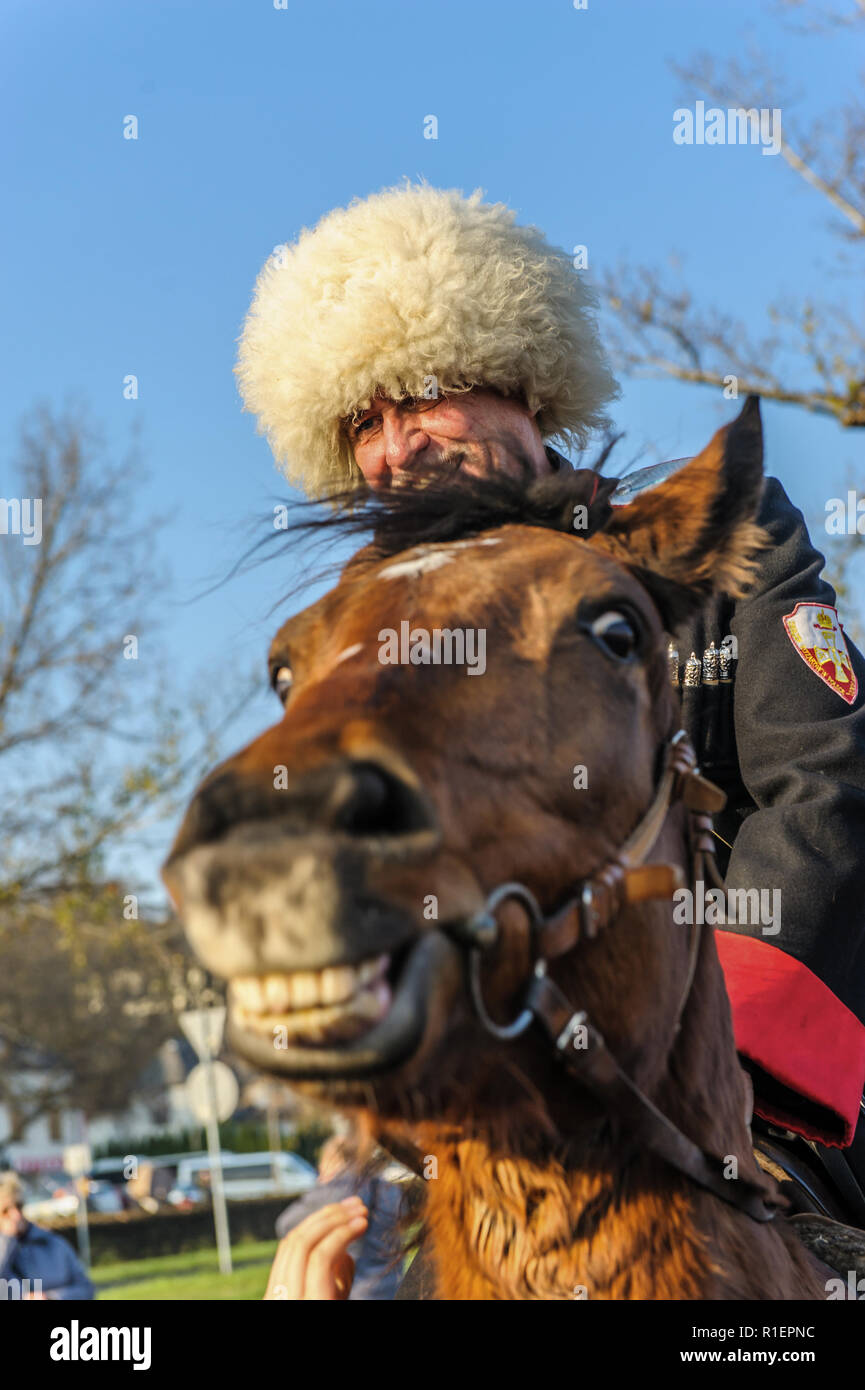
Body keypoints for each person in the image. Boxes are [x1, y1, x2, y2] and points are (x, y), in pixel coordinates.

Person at [236, 183, 865, 1266]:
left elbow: (826, 783)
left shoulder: (711, 531)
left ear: (523, 378)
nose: (393, 448)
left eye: (419, 397)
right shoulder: (365, 624)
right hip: (476, 1130)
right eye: (361, 425)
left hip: (760, 1080)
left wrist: (717, 1071)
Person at [264, 1135, 405, 1300]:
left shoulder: (333, 1190)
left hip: (348, 1291)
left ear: (331, 1160)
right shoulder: (391, 1189)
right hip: (392, 1290)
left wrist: (321, 1187)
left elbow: (285, 1224)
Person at [0, 1171, 95, 1300]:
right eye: (5, 1211)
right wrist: (7, 1240)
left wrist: (52, 1297)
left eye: (19, 1206)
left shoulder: (54, 1244)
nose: (16, 1216)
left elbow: (86, 1289)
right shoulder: (5, 1252)